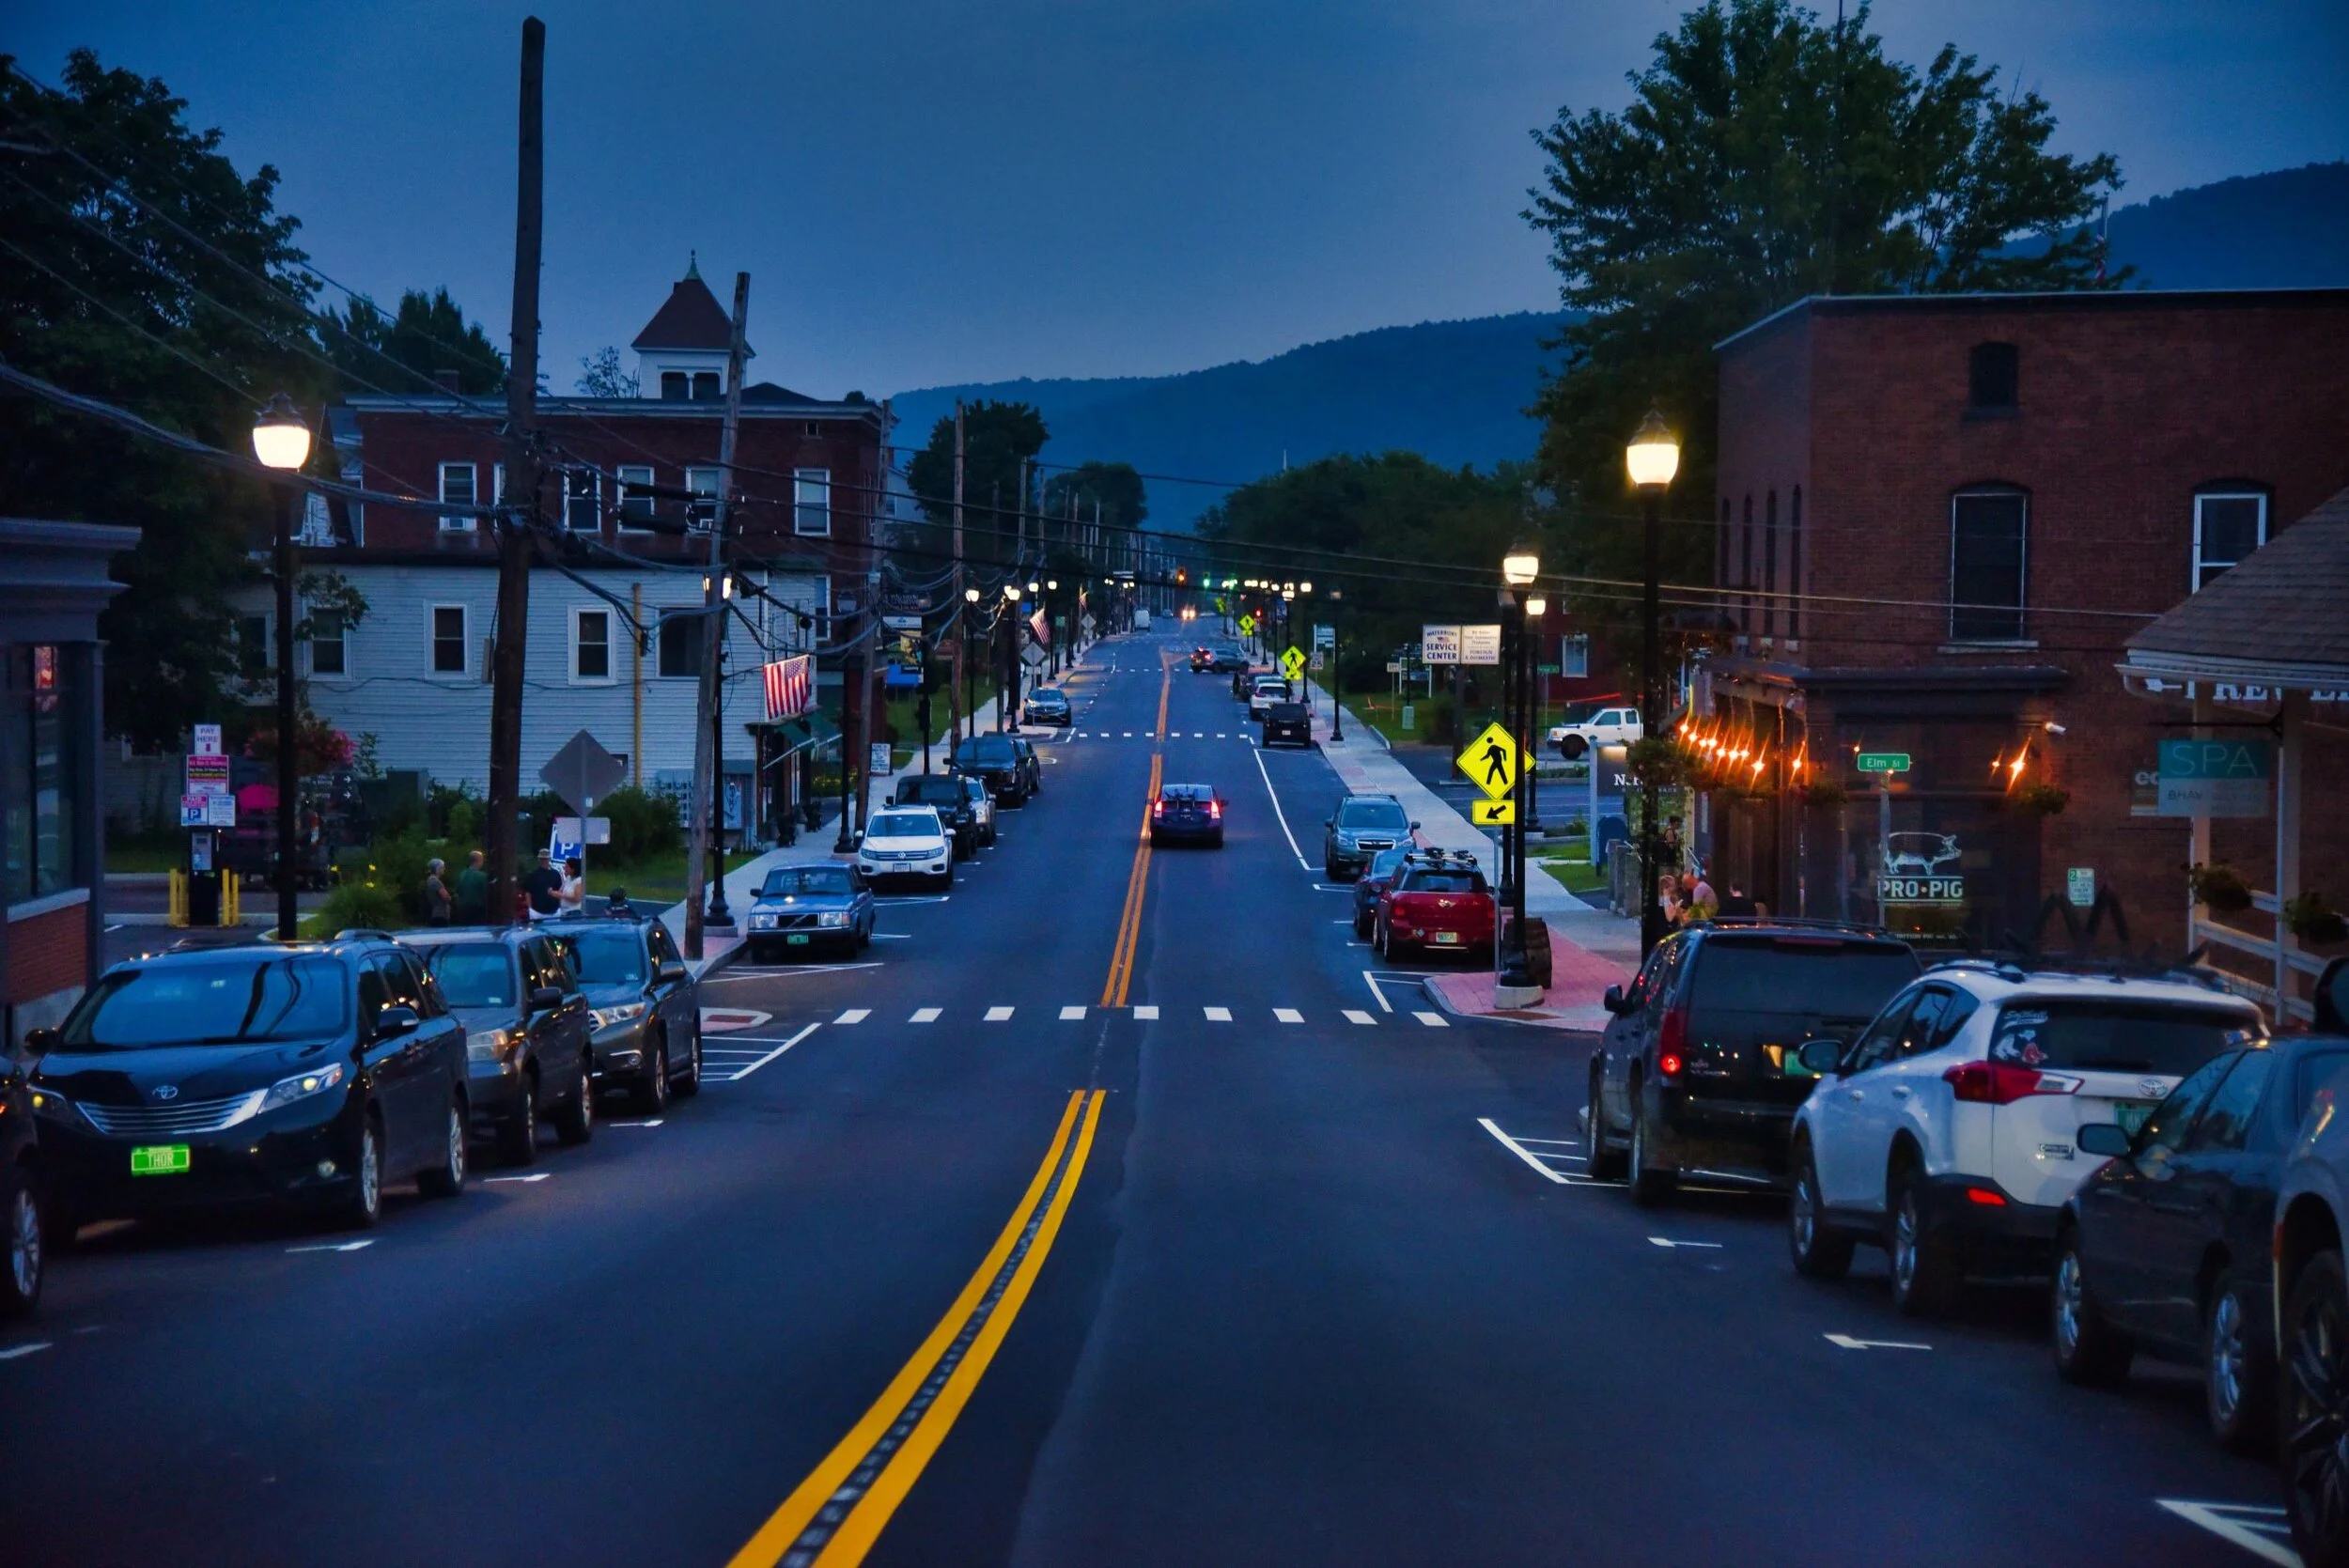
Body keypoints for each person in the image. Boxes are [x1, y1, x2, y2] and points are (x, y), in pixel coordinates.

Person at [522, 850, 563, 921]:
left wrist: (560, 907)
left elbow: (559, 891)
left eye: (546, 858)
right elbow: (528, 892)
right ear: (539, 859)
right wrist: (530, 909)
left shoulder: (556, 874)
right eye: (542, 858)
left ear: (549, 859)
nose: (544, 860)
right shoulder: (533, 875)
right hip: (537, 912)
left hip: (554, 912)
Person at [452, 849, 489, 924]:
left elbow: (457, 893)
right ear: (478, 861)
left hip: (463, 910)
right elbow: (487, 893)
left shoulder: (461, 875)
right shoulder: (482, 876)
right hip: (478, 910)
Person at [422, 859, 453, 925]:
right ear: (437, 869)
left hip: (434, 913)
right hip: (440, 914)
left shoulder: (429, 880)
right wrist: (450, 898)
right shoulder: (436, 882)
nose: (444, 869)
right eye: (442, 867)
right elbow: (446, 897)